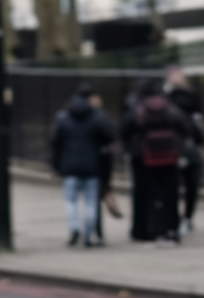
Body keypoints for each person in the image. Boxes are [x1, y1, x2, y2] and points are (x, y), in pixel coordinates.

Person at [122, 77, 195, 246]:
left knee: (151, 196)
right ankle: (173, 230)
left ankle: (154, 230)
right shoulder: (169, 108)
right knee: (171, 195)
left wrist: (133, 149)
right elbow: (186, 128)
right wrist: (178, 147)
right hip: (170, 157)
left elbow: (125, 130)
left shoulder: (138, 109)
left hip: (146, 159)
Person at [49, 82, 116, 248]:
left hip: (69, 166)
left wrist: (55, 165)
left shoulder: (63, 117)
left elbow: (54, 142)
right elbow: (109, 135)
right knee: (90, 202)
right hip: (91, 165)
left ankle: (74, 228)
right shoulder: (96, 116)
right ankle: (88, 236)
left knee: (70, 201)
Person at [164, 65, 204, 236]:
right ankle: (174, 218)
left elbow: (199, 121)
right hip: (173, 145)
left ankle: (187, 217)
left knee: (192, 184)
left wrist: (201, 142)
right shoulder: (166, 97)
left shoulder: (191, 96)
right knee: (172, 184)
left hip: (189, 144)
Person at [90, 87, 123, 244]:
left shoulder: (81, 116)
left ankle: (95, 231)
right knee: (100, 189)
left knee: (96, 193)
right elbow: (111, 134)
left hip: (92, 161)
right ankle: (110, 202)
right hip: (102, 159)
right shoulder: (100, 117)